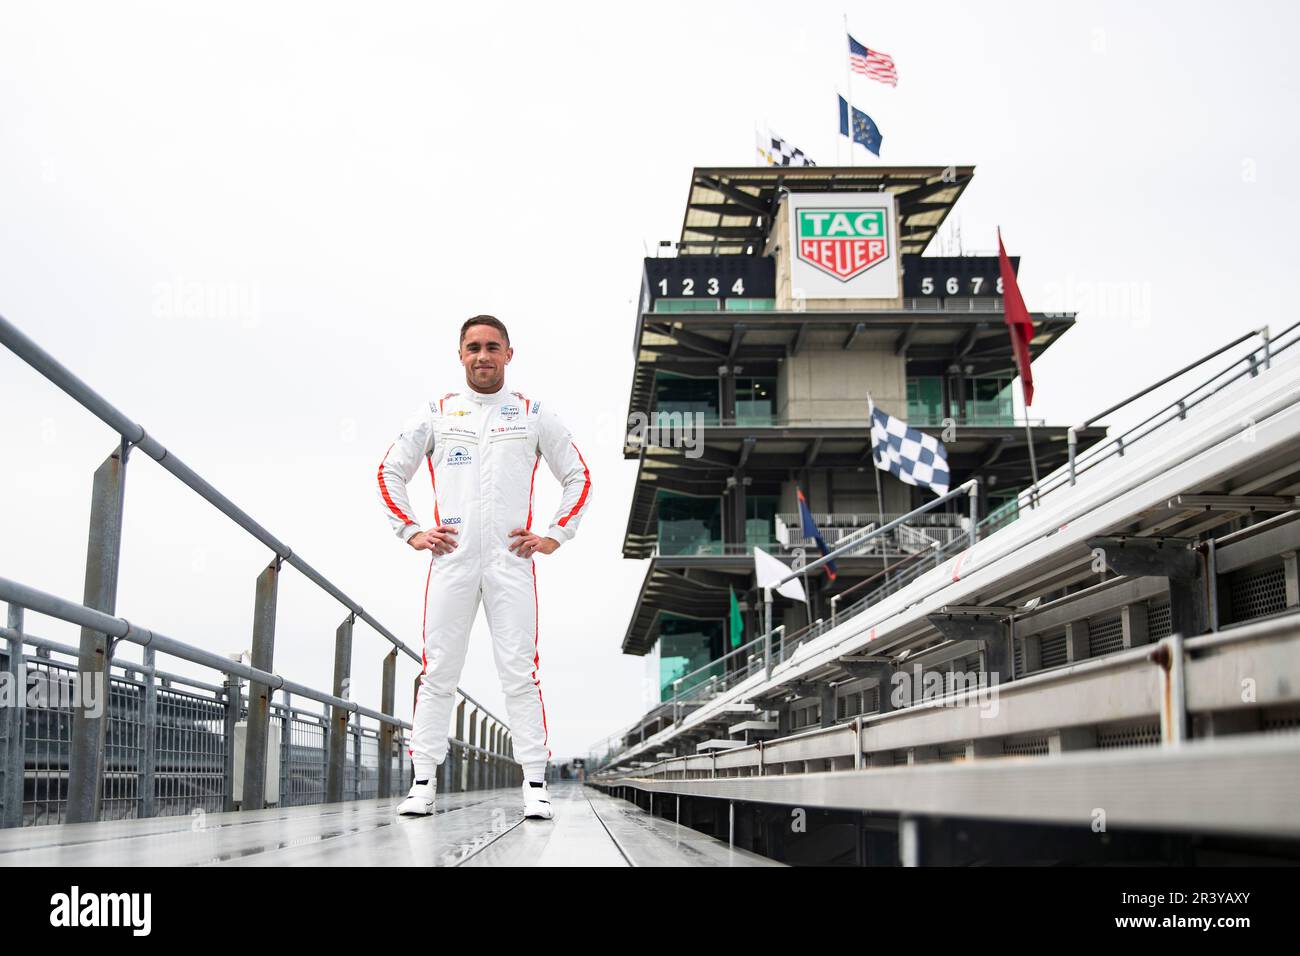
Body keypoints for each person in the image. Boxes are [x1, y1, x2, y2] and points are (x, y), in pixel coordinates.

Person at [376, 315, 592, 820]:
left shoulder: (533, 413)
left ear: (508, 354)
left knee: (519, 671)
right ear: (460, 354)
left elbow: (578, 476)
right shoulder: (436, 414)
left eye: (492, 347)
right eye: (473, 347)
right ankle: (423, 783)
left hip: (511, 561)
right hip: (450, 558)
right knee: (437, 673)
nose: (482, 356)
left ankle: (535, 784)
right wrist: (411, 530)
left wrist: (555, 535)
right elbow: (390, 470)